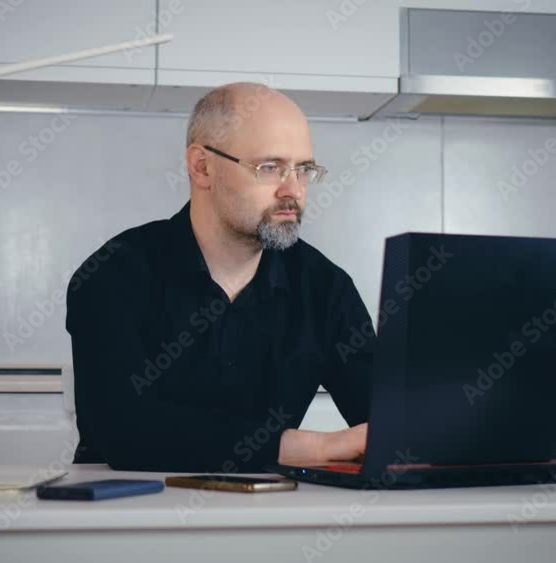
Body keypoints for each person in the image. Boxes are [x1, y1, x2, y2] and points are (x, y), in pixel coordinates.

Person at [65, 82, 375, 472]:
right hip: (128, 517)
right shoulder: (113, 274)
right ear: (202, 167)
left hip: (271, 517)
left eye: (304, 170)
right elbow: (125, 432)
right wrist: (310, 448)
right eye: (270, 168)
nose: (293, 190)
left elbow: (386, 419)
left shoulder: (326, 289)